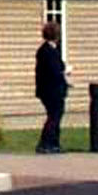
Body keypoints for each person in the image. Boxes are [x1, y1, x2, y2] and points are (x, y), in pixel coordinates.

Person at [35, 20, 69, 153]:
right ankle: (45, 143)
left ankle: (54, 143)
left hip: (49, 89)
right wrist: (65, 71)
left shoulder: (47, 50)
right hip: (51, 90)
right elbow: (54, 71)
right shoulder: (48, 51)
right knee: (54, 116)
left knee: (55, 116)